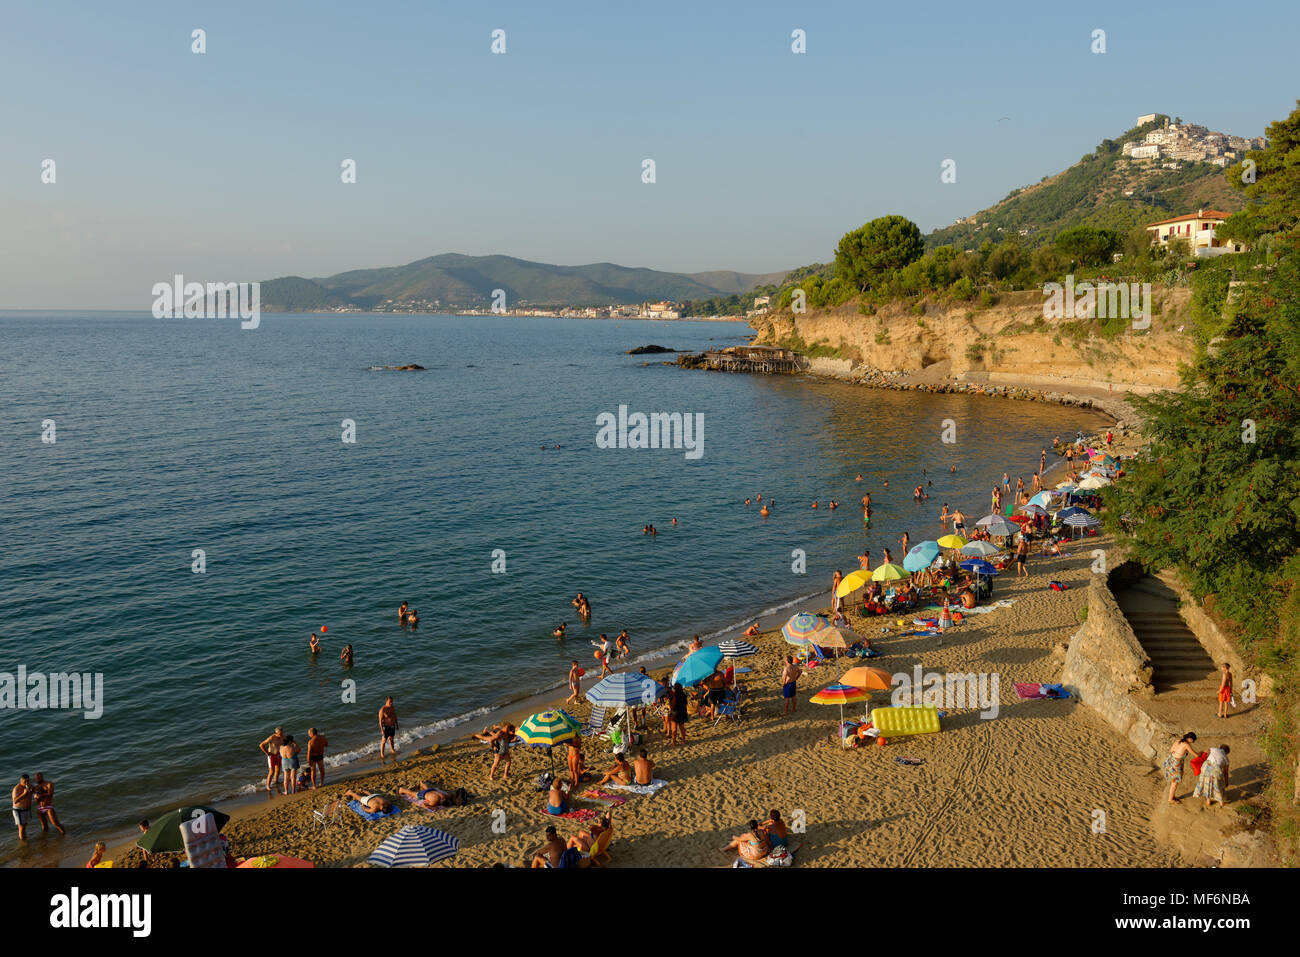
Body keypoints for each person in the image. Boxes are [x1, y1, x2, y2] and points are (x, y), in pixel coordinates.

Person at [1163, 732, 1199, 803]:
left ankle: (1172, 796)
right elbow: (1196, 755)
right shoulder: (1186, 745)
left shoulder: (1178, 740)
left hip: (1171, 760)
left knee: (1173, 782)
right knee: (1174, 783)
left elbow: (1171, 750)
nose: (1193, 742)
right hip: (1176, 764)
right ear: (1189, 738)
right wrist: (1201, 753)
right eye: (1193, 740)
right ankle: (1170, 799)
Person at [259, 727, 285, 793]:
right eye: (280, 732)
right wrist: (267, 753)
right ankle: (268, 786)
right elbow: (261, 745)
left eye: (282, 732)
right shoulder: (271, 737)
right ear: (277, 733)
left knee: (278, 769)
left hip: (279, 755)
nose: (282, 733)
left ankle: (276, 781)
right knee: (271, 771)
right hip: (272, 756)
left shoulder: (283, 737)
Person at [11, 774, 34, 841]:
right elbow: (15, 801)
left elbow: (35, 791)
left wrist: (35, 792)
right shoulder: (16, 788)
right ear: (21, 781)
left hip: (27, 809)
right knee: (21, 827)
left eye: (28, 781)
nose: (27, 783)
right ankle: (23, 843)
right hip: (19, 810)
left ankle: (24, 838)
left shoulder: (29, 785)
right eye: (25, 781)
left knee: (24, 826)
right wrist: (24, 794)